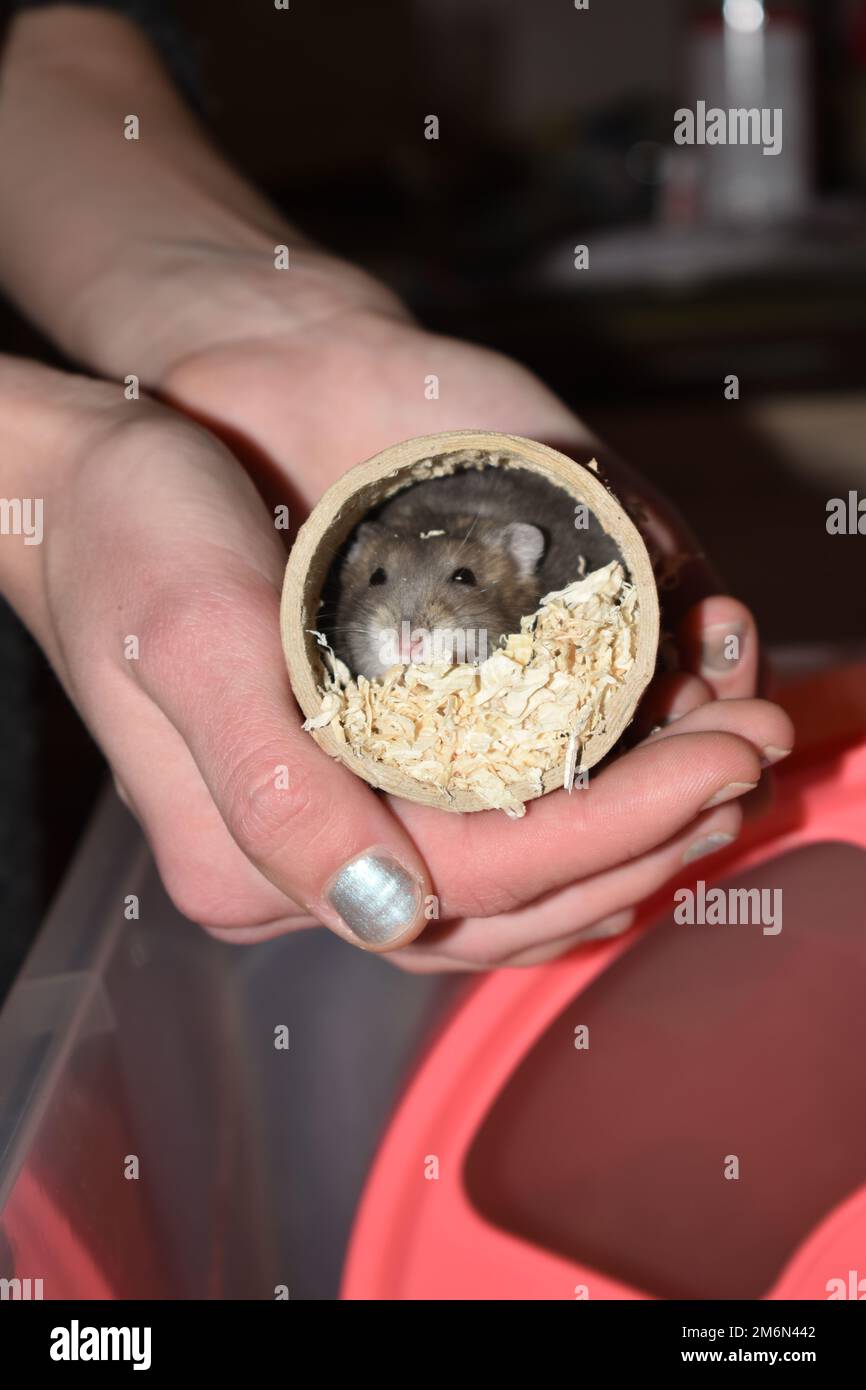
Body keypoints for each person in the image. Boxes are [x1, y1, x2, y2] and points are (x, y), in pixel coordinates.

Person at [0, 3, 793, 969]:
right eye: (379, 587)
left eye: (459, 585)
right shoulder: (359, 583)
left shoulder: (527, 570)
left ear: (518, 573)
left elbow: (44, 45)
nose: (411, 620)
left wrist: (271, 327)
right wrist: (42, 463)